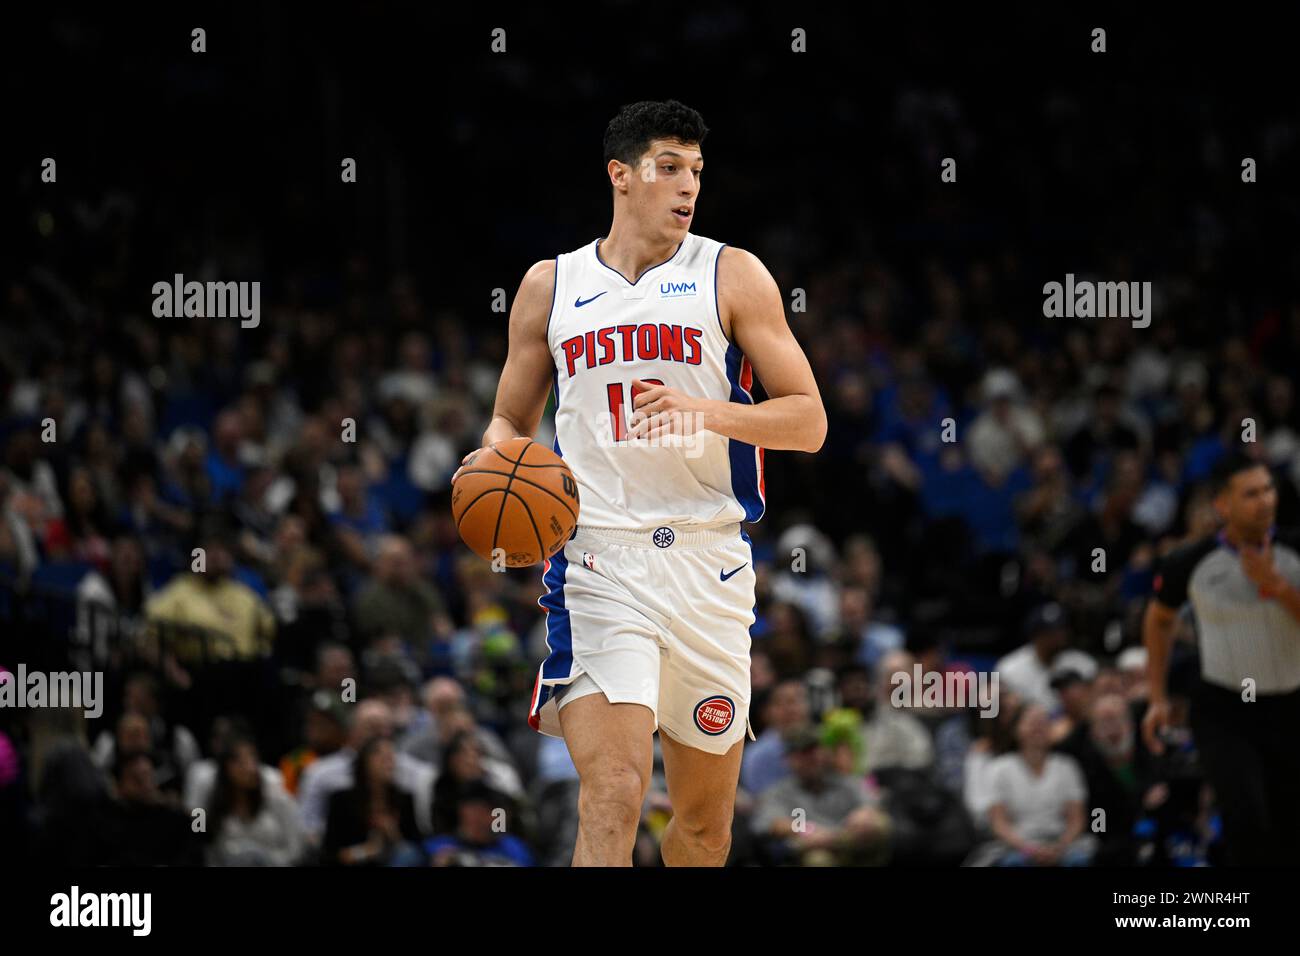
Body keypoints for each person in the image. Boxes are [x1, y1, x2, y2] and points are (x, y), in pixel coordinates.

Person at [453, 99, 826, 866]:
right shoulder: (550, 286)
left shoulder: (733, 273)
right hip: (598, 560)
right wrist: (491, 457)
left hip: (709, 563)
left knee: (701, 829)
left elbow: (809, 420)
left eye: (695, 171)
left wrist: (708, 411)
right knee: (618, 790)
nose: (687, 186)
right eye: (667, 168)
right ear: (620, 176)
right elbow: (507, 421)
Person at [1142, 452, 1300, 865]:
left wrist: (1278, 588)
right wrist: (1157, 696)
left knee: (1289, 829)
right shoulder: (1188, 561)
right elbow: (1158, 621)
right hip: (1225, 710)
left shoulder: (1295, 551)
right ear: (1222, 505)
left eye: (1268, 490)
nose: (1265, 501)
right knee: (1246, 823)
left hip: (1291, 706)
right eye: (1251, 494)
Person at [966, 703, 1095, 867]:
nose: (1038, 728)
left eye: (1043, 723)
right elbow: (998, 823)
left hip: (1061, 842)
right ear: (1016, 729)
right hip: (1016, 845)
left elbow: (1076, 818)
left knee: (1081, 859)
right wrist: (1029, 849)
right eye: (1032, 723)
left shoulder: (1067, 767)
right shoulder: (998, 769)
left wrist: (1060, 847)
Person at [204, 735, 306, 866]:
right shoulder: (214, 804)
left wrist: (264, 860)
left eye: (253, 759)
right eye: (240, 762)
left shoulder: (279, 798)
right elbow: (208, 850)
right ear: (225, 768)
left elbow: (297, 850)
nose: (251, 768)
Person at [321, 736, 424, 866]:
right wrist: (365, 851)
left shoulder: (404, 798)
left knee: (410, 855)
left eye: (391, 758)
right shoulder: (342, 800)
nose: (389, 763)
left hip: (396, 860)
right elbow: (329, 852)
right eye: (383, 758)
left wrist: (394, 833)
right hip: (358, 862)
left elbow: (418, 844)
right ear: (365, 762)